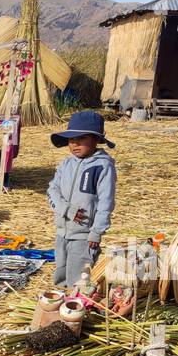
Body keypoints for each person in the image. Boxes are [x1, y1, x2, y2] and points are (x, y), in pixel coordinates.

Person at [47, 110, 117, 290]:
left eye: (81, 139)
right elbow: (52, 190)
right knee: (61, 273)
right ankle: (61, 308)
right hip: (62, 231)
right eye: (71, 140)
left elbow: (105, 203)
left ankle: (77, 309)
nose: (75, 144)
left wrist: (96, 232)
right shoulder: (66, 164)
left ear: (95, 140)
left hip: (84, 236)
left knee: (79, 278)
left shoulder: (102, 167)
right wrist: (67, 210)